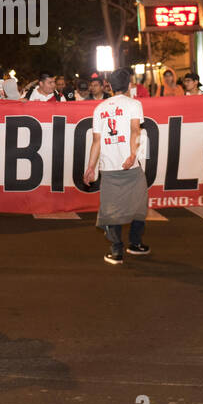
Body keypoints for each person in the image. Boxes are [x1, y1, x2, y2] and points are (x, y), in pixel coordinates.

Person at [84, 68, 149, 263]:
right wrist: (131, 154)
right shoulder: (134, 104)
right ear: (129, 85)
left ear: (109, 86)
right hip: (130, 165)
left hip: (108, 165)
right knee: (139, 204)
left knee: (112, 210)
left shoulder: (99, 108)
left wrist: (90, 167)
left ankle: (116, 251)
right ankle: (135, 244)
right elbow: (135, 130)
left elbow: (96, 141)